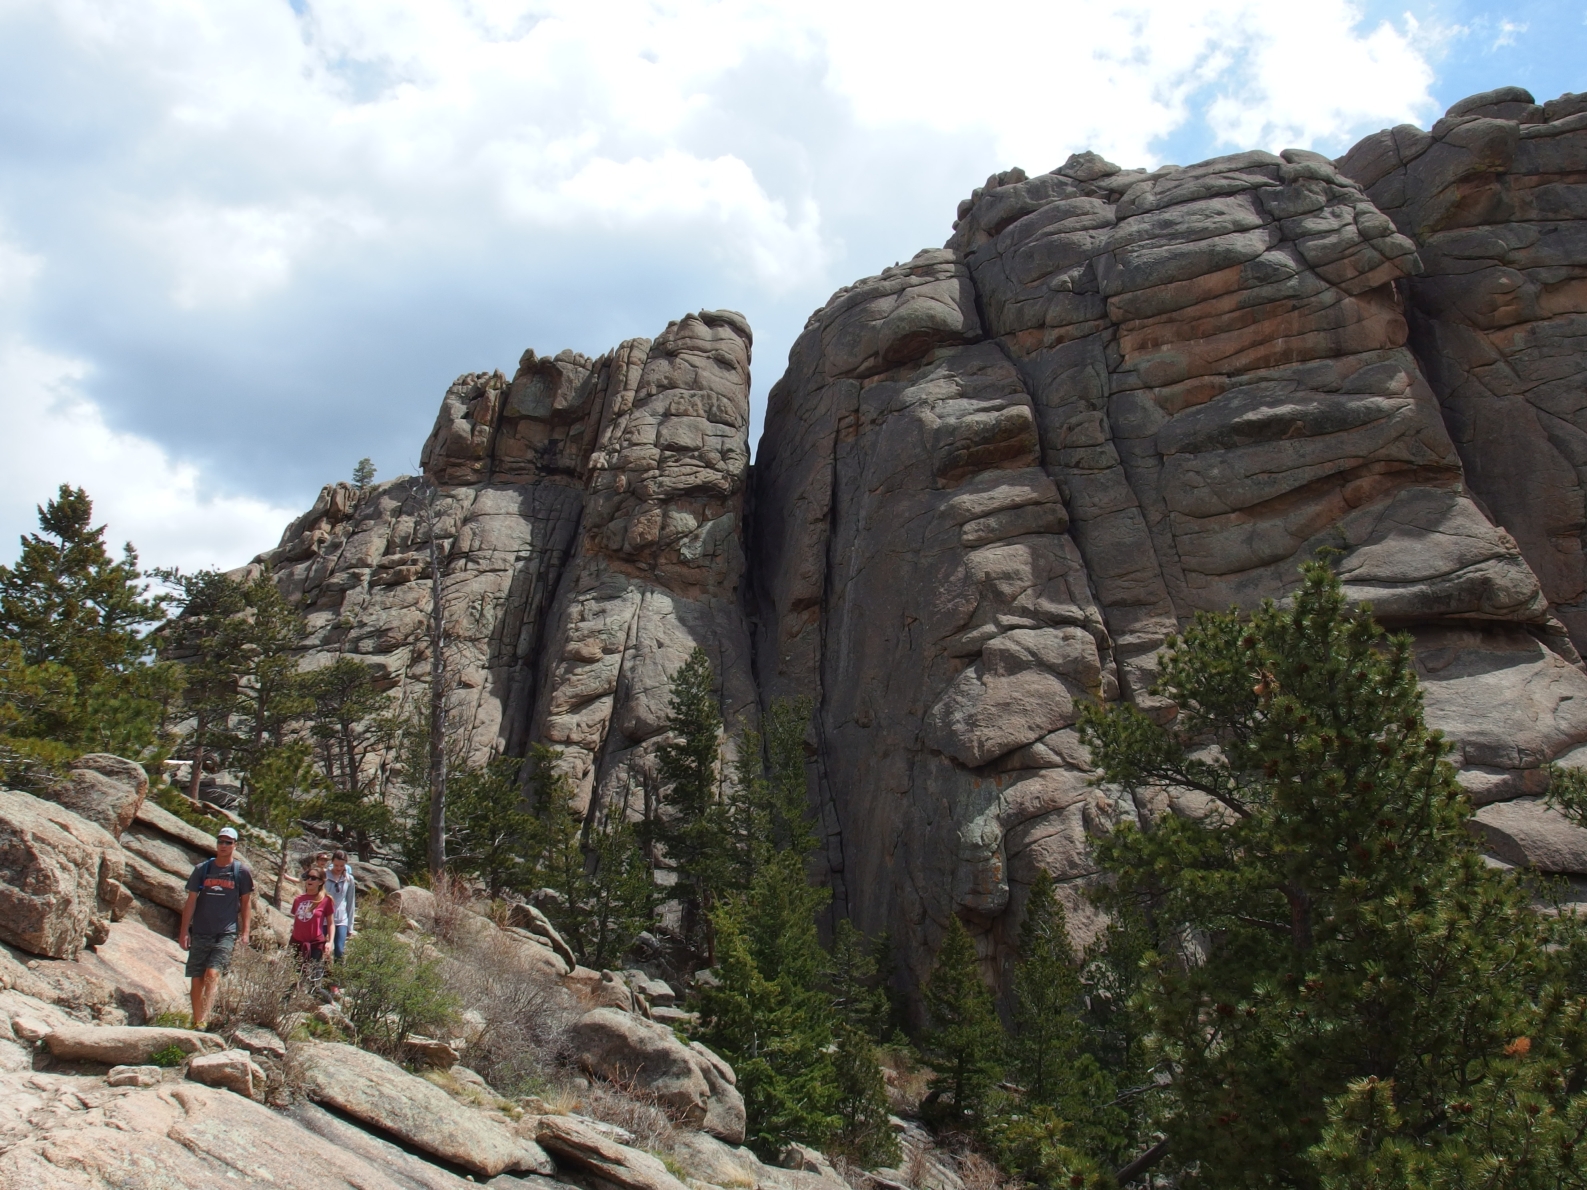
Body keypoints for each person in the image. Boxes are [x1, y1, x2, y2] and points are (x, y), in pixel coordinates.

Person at [178, 825, 253, 1030]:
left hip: (226, 932)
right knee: (196, 978)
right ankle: (196, 1019)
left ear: (234, 845)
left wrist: (245, 932)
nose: (223, 845)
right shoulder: (202, 870)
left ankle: (205, 1018)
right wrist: (184, 931)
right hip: (201, 930)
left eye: (228, 842)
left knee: (212, 974)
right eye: (220, 841)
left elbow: (246, 903)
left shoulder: (241, 872)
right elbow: (191, 901)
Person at [290, 869, 333, 982]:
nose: (309, 880)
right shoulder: (298, 900)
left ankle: (327, 999)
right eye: (308, 877)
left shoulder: (326, 901)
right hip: (297, 942)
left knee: (313, 980)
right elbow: (296, 921)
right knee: (294, 977)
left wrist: (330, 942)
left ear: (320, 882)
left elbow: (331, 923)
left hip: (315, 944)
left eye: (313, 878)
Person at [323, 850, 357, 963]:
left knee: (339, 950)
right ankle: (317, 973)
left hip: (341, 919)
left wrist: (350, 926)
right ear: (332, 862)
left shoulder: (349, 879)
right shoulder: (324, 876)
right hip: (323, 918)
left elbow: (351, 902)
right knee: (320, 948)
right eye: (336, 865)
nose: (338, 868)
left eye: (341, 865)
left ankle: (337, 977)